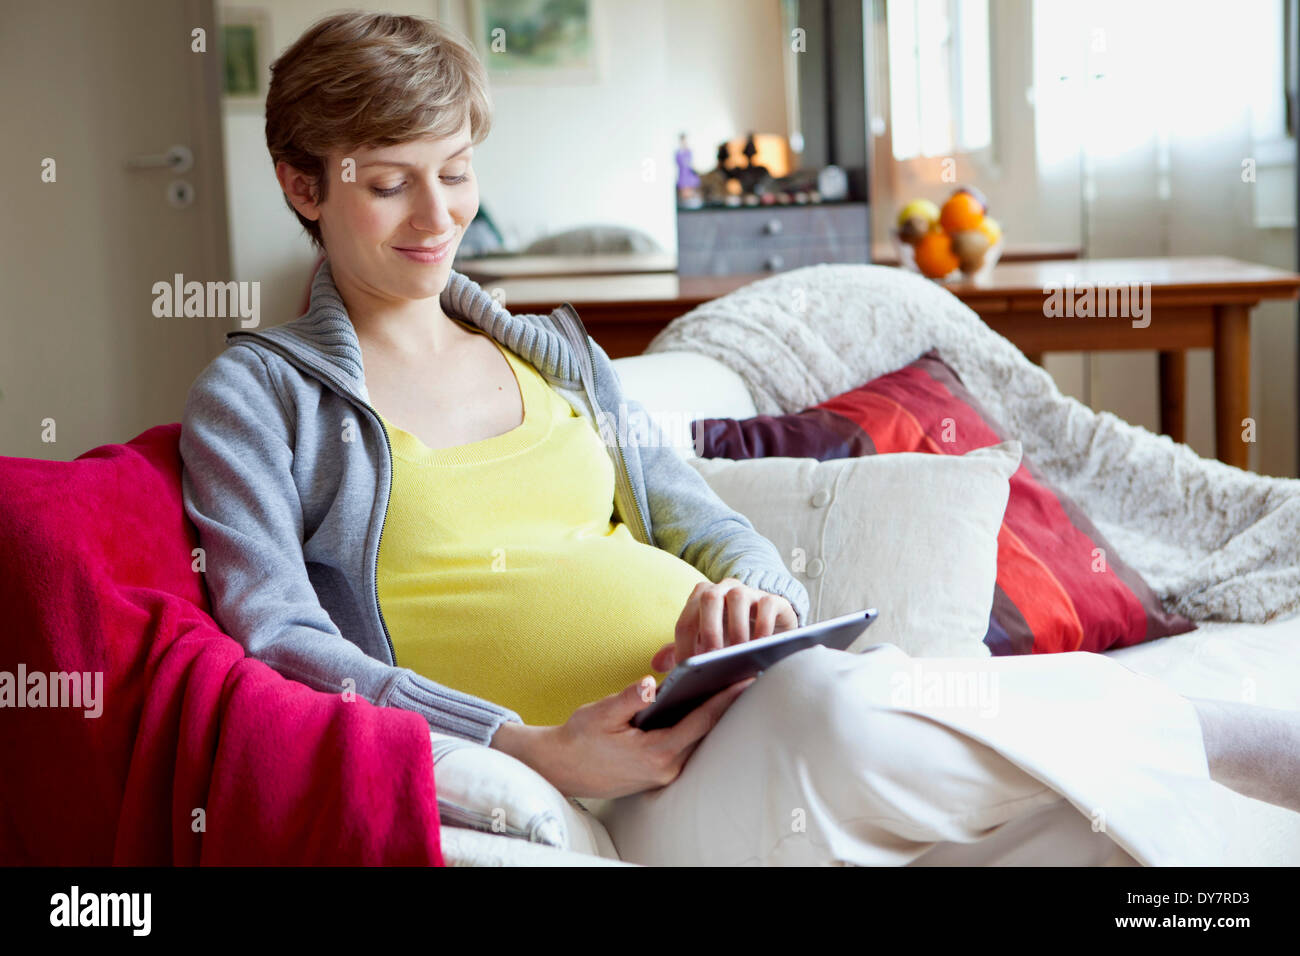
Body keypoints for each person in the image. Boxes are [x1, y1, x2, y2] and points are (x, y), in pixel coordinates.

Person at [180, 11, 1299, 866]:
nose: (438, 219)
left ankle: (1200, 755)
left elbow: (698, 520)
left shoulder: (551, 351)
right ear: (303, 184)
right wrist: (529, 744)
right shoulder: (260, 395)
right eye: (388, 185)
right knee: (849, 710)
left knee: (1046, 816)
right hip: (616, 771)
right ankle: (1214, 732)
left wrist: (754, 603)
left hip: (728, 692)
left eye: (457, 173)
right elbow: (276, 639)